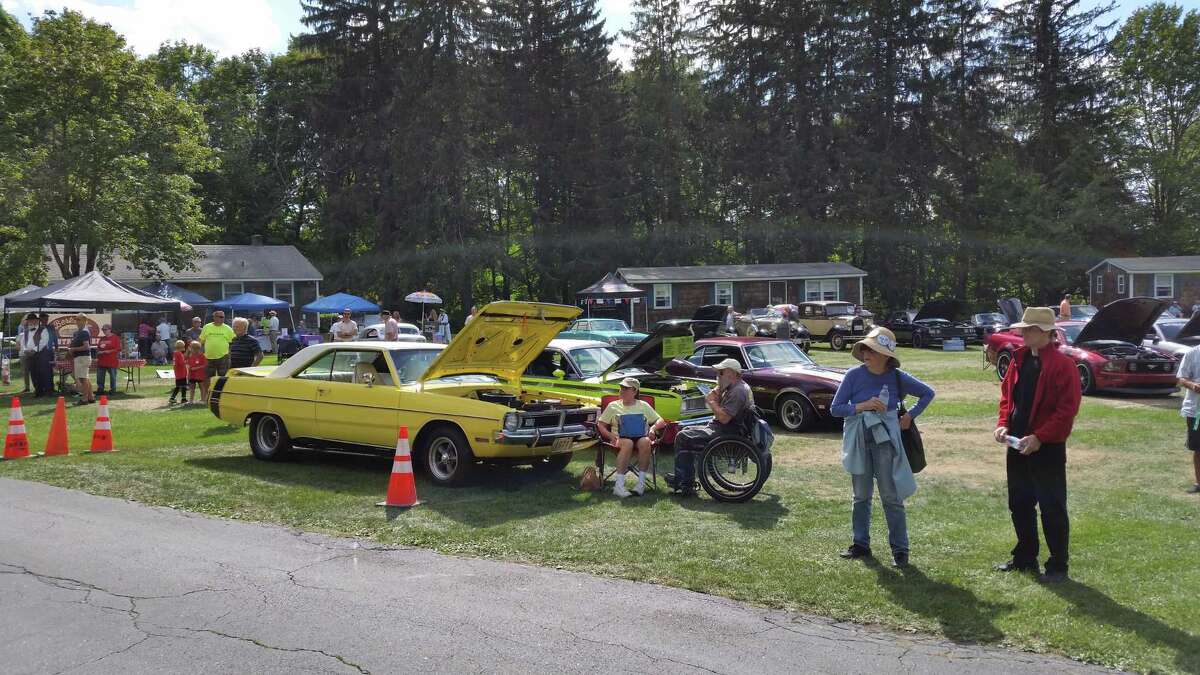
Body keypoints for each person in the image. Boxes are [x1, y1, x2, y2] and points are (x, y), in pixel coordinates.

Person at [831, 327, 934, 568]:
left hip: (885, 442)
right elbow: (836, 409)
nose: (867, 353)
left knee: (891, 496)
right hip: (858, 439)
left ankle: (900, 551)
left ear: (886, 355)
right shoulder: (853, 375)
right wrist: (862, 406)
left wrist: (910, 416)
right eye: (865, 348)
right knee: (861, 496)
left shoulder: (897, 377)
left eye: (873, 350)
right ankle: (860, 544)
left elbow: (927, 393)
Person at [992, 307, 1082, 584]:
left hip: (1047, 447)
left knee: (1052, 506)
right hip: (1017, 443)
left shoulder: (1062, 364)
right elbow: (1008, 397)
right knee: (1019, 503)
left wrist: (1040, 437)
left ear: (1045, 333)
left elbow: (1066, 410)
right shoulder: (1019, 359)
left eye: (1029, 329)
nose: (1023, 333)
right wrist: (1003, 423)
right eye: (1024, 328)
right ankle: (1025, 557)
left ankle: (1058, 566)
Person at [666, 358, 753, 497]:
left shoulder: (737, 392)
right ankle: (684, 479)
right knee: (685, 430)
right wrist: (718, 391)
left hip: (725, 432)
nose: (717, 376)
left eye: (720, 373)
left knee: (682, 437)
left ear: (731, 373)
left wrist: (712, 402)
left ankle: (684, 483)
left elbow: (724, 418)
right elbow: (716, 399)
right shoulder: (734, 386)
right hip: (726, 429)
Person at [597, 377, 668, 498]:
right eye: (621, 388)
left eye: (626, 388)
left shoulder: (643, 405)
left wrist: (652, 429)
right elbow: (600, 424)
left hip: (640, 436)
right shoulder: (613, 405)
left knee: (646, 441)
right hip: (620, 439)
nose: (621, 391)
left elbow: (660, 420)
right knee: (628, 443)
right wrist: (610, 435)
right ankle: (619, 486)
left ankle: (640, 485)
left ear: (635, 391)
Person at [1174, 342, 1200, 494]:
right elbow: (1181, 379)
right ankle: (1199, 483)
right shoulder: (1192, 353)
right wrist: (1194, 386)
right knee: (1198, 448)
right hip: (1196, 410)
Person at [199, 310, 236, 391]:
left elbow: (232, 342)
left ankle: (222, 394)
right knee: (207, 377)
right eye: (220, 317)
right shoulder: (207, 327)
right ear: (214, 317)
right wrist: (200, 354)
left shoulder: (228, 328)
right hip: (208, 357)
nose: (223, 319)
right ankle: (207, 394)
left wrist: (229, 356)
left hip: (223, 357)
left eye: (223, 317)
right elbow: (201, 341)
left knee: (223, 377)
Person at [19, 314, 52, 397]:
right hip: (29, 355)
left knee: (42, 373)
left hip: (41, 354)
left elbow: (44, 341)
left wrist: (34, 349)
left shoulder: (43, 329)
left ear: (37, 321)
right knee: (33, 373)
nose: (31, 321)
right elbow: (23, 343)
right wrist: (25, 350)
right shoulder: (26, 331)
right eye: (30, 320)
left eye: (33, 320)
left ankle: (45, 390)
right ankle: (38, 391)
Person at [68, 314, 95, 405]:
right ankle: (91, 397)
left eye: (79, 319)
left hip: (82, 357)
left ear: (84, 320)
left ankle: (84, 399)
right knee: (85, 378)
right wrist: (71, 349)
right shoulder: (79, 332)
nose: (77, 321)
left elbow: (86, 346)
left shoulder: (84, 332)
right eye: (76, 319)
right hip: (80, 357)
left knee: (83, 379)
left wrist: (73, 349)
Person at [95, 324, 121, 396]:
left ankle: (113, 390)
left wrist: (107, 351)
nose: (104, 331)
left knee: (112, 377)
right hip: (102, 361)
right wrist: (98, 351)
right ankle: (100, 389)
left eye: (105, 329)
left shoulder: (115, 338)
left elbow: (118, 349)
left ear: (110, 329)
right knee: (100, 376)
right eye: (103, 330)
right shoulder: (102, 338)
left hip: (111, 361)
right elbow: (98, 348)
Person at [17, 313, 39, 394]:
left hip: (33, 353)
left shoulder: (37, 330)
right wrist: (24, 350)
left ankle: (36, 388)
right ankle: (27, 387)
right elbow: (20, 345)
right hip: (23, 354)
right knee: (25, 372)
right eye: (27, 322)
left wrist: (32, 350)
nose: (27, 324)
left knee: (34, 371)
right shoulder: (22, 334)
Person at [169, 340, 189, 405]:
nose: (184, 348)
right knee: (183, 386)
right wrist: (187, 361)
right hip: (181, 373)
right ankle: (183, 398)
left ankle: (172, 398)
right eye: (183, 346)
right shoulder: (179, 354)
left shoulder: (175, 353)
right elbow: (181, 363)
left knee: (178, 386)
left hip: (177, 373)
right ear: (181, 347)